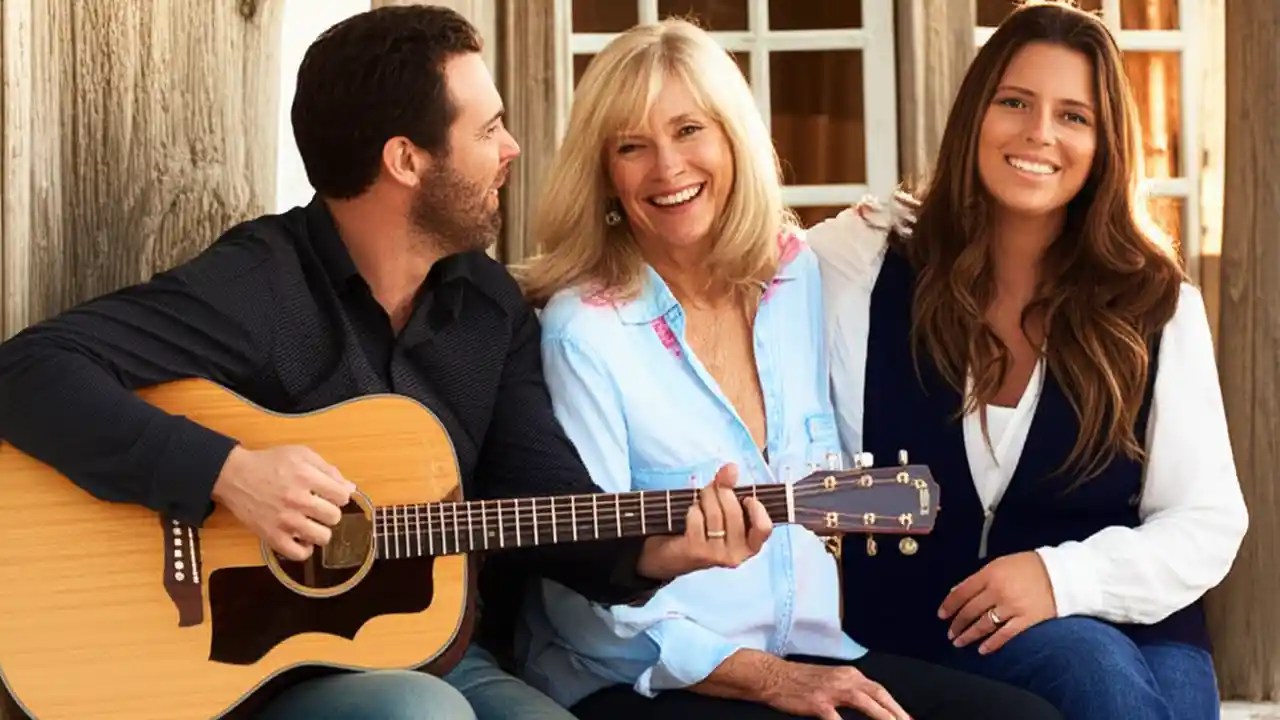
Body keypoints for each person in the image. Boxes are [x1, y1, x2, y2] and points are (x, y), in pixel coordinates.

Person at [0, 7, 769, 720]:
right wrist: (228, 473)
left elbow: (543, 502)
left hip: (431, 652)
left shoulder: (489, 308)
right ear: (406, 159)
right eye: (489, 129)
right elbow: (26, 370)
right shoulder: (261, 286)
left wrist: (659, 551)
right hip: (237, 669)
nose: (512, 149)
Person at [513, 18, 1063, 720]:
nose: (667, 168)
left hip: (812, 650)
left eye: (689, 131)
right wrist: (770, 679)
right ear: (604, 176)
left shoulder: (792, 275)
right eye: (631, 146)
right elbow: (579, 597)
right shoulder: (586, 329)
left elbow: (916, 226)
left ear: (733, 139)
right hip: (648, 674)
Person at [808, 4, 1248, 720]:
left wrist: (1058, 577)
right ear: (975, 114)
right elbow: (735, 253)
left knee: (1161, 692)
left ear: (1105, 143)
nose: (1039, 132)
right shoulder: (864, 262)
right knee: (1094, 668)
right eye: (1014, 102)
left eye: (1074, 116)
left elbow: (1205, 519)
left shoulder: (1156, 303)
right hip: (935, 622)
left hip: (1133, 616)